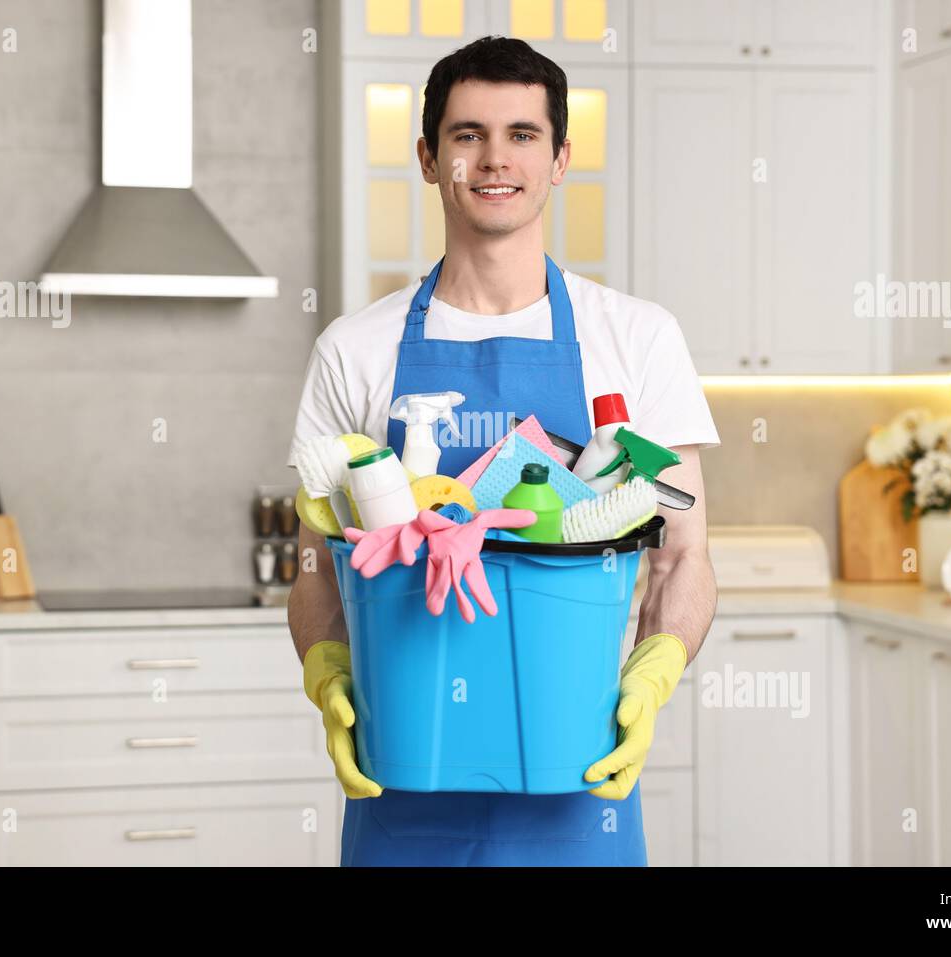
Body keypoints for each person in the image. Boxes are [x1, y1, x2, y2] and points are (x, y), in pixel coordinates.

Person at [287, 35, 719, 866]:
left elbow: (683, 553)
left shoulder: (636, 336)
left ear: (560, 158)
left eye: (523, 134)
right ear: (428, 157)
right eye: (467, 134)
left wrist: (657, 667)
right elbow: (316, 564)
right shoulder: (356, 348)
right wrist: (329, 665)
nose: (496, 158)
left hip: (579, 788)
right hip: (405, 784)